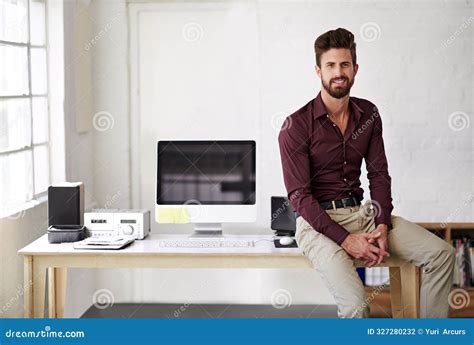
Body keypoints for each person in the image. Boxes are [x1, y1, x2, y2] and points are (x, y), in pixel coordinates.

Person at [278, 28, 455, 318]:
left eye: (344, 64)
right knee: (357, 307)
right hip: (317, 224)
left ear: (355, 69)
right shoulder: (296, 126)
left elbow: (379, 174)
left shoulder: (368, 114)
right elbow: (299, 196)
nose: (338, 72)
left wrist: (382, 225)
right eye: (331, 65)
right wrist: (347, 240)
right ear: (318, 71)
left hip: (363, 216)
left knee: (442, 255)